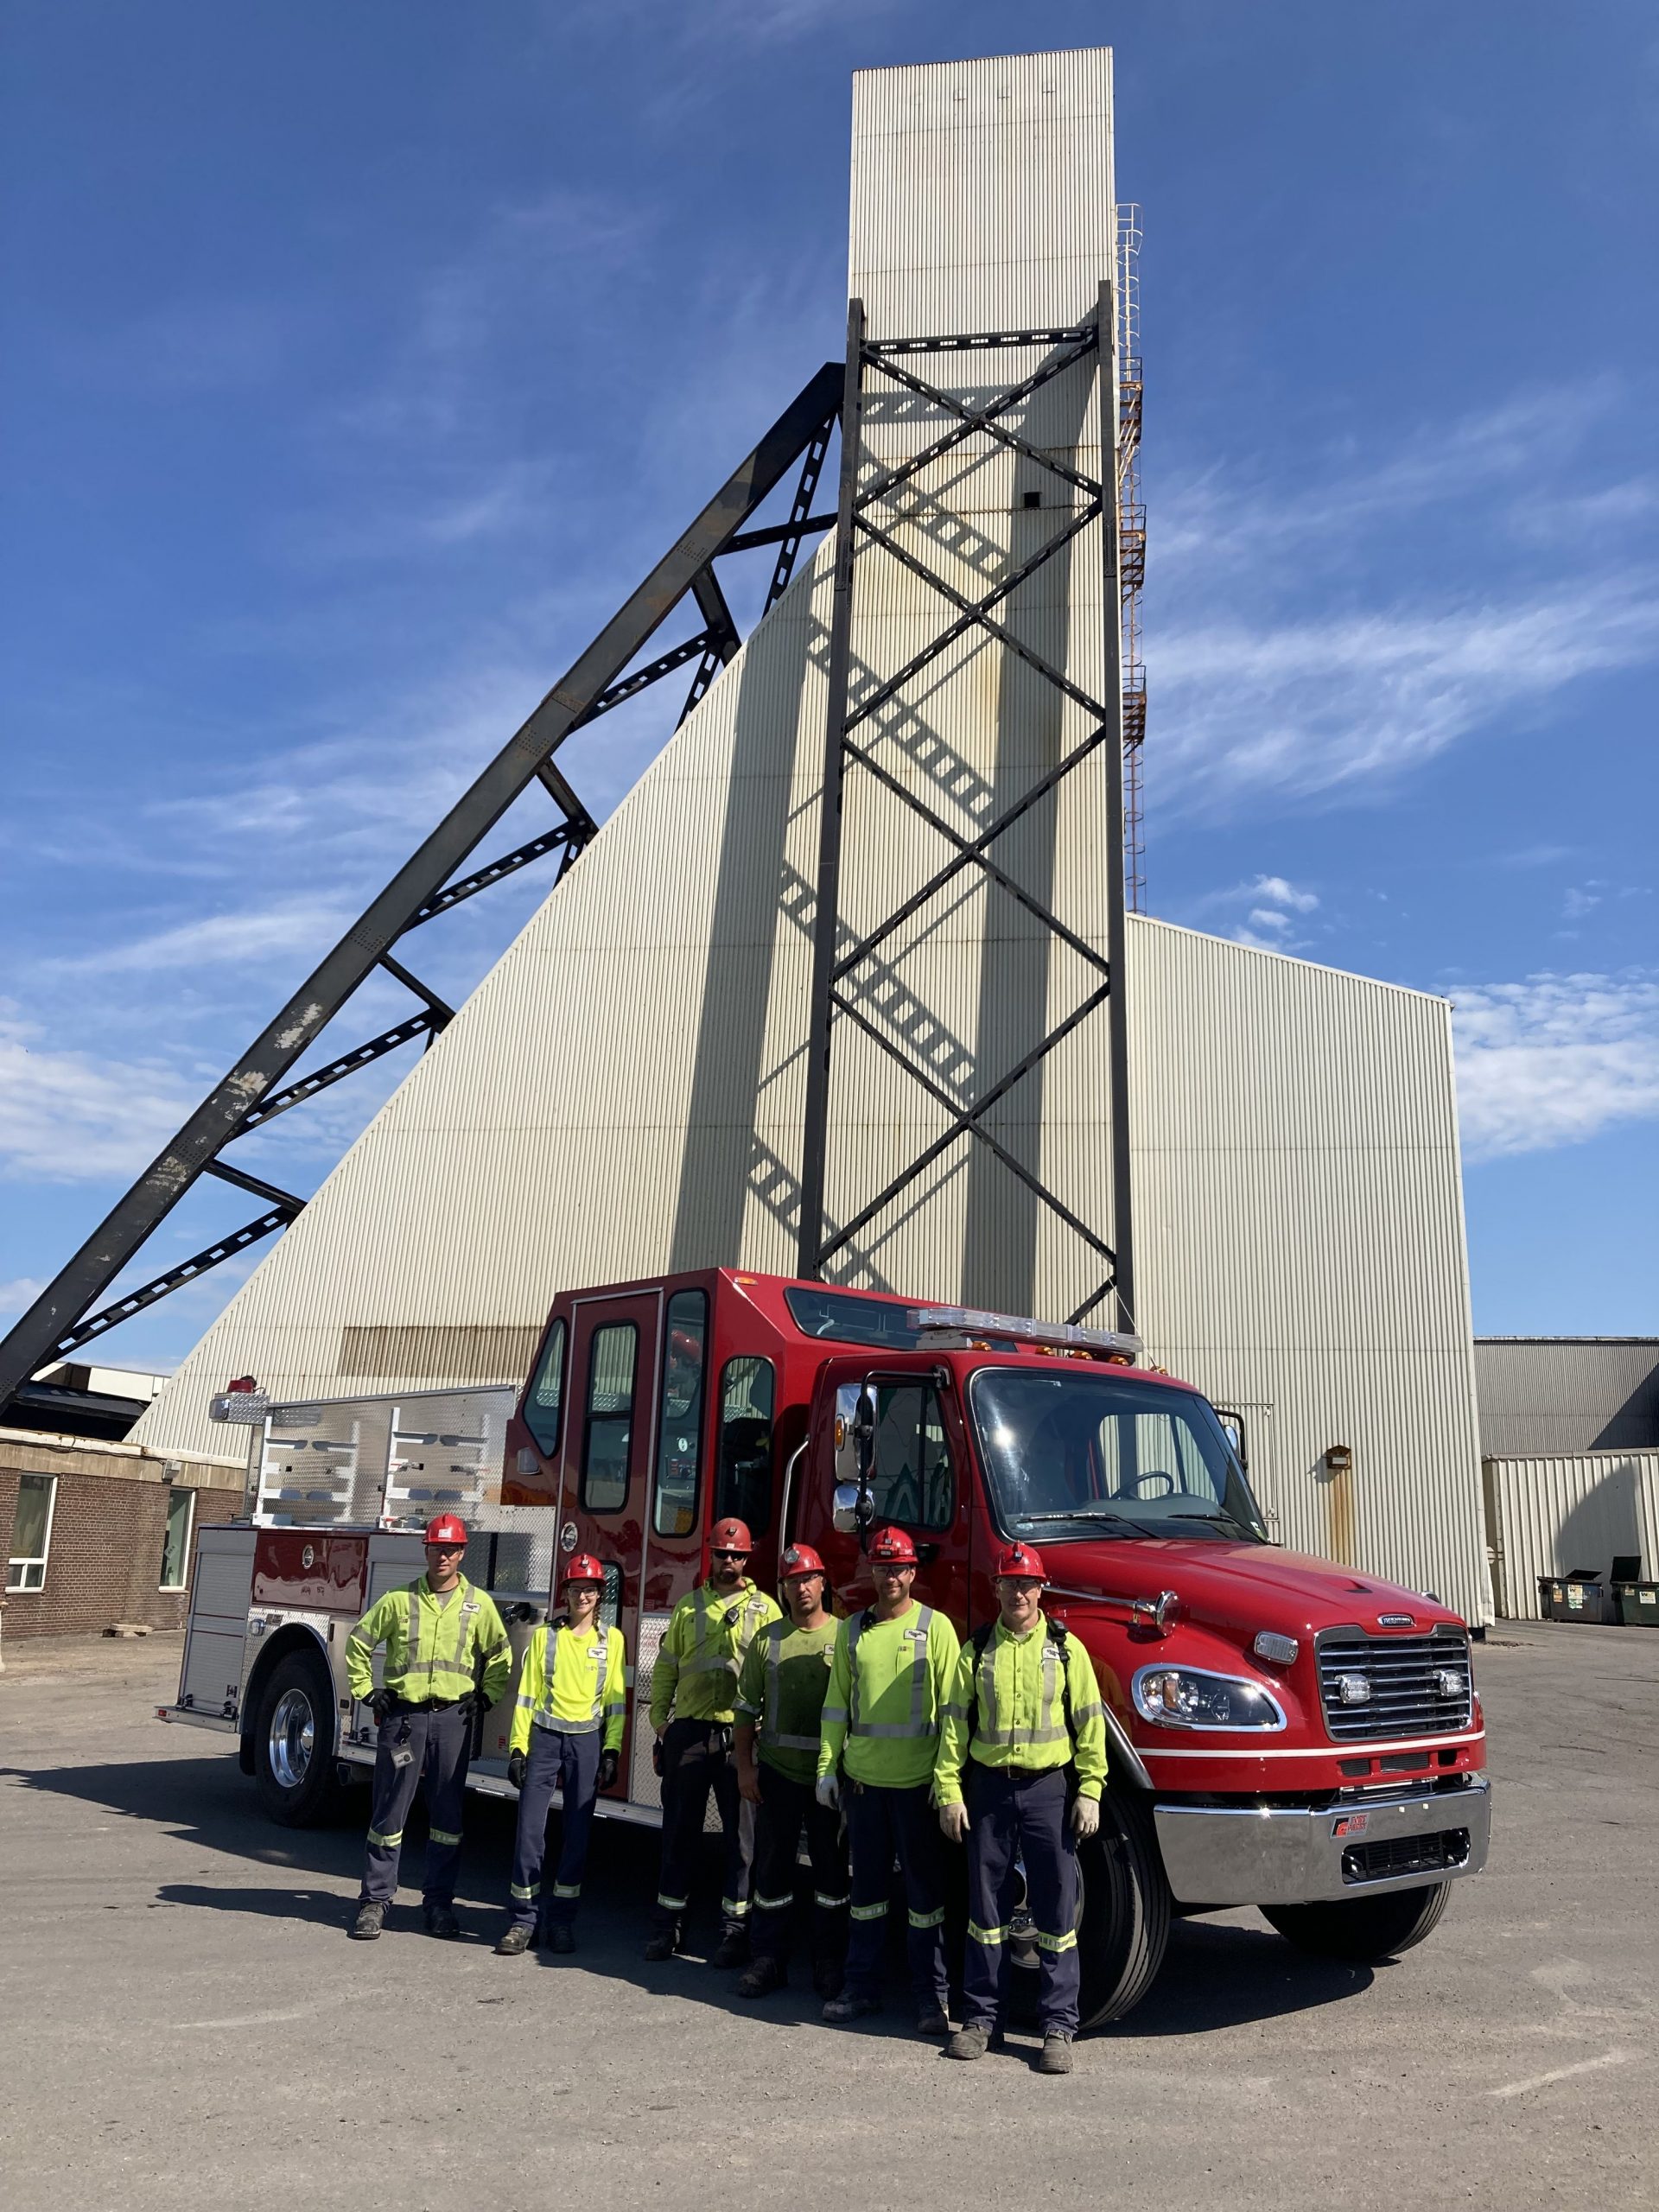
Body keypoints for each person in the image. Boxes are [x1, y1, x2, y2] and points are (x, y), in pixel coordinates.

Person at [934, 1540, 1108, 2075]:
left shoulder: (1065, 1649)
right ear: (997, 1590)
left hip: (1048, 1791)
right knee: (985, 1913)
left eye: (1027, 1583)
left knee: (1057, 1912)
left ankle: (1057, 2027)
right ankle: (981, 2020)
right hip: (988, 1791)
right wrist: (948, 1792)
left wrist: (1090, 1790)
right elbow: (954, 1727)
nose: (1018, 1592)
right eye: (1009, 1583)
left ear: (1041, 1589)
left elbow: (1090, 1723)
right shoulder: (977, 1649)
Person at [817, 1523, 961, 2037]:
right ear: (872, 1571)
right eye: (882, 1567)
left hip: (917, 1786)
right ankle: (861, 1989)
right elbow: (836, 1706)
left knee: (925, 1901)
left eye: (898, 1567)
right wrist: (827, 1771)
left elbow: (952, 1714)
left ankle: (931, 1999)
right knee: (868, 1895)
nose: (891, 1575)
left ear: (913, 1572)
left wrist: (947, 1787)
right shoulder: (852, 1629)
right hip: (863, 1786)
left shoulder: (937, 1628)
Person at [344, 1512, 512, 1940]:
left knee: (447, 1817)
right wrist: (367, 1691)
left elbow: (501, 1655)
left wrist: (487, 1695)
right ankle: (375, 1902)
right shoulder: (399, 1600)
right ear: (426, 1550)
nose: (443, 1555)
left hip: (453, 1720)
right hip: (404, 1719)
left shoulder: (478, 1604)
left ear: (462, 1553)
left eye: (451, 1548)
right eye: (436, 1547)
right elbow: (359, 1642)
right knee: (389, 1811)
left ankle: (438, 1904)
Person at [645, 1516, 781, 1965]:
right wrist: (662, 1723)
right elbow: (666, 1667)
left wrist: (764, 1732)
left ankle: (734, 1932)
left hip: (739, 1740)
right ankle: (668, 1928)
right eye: (722, 1554)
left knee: (741, 1842)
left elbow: (776, 1676)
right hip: (689, 1734)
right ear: (711, 1554)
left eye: (737, 1555)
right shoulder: (688, 1607)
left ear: (747, 1557)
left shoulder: (767, 1609)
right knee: (678, 1835)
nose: (729, 1561)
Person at [732, 1541, 848, 1999]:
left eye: (807, 1578)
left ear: (823, 1583)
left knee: (832, 1877)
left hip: (828, 1778)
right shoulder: (768, 1639)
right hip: (777, 1774)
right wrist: (745, 1769)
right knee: (772, 1874)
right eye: (791, 1581)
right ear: (782, 1588)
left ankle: (828, 1963)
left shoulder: (845, 1637)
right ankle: (768, 1960)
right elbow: (745, 1709)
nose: (800, 1587)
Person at [495, 1553, 626, 1956]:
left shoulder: (613, 1640)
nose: (582, 1596)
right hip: (546, 1739)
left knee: (577, 1835)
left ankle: (562, 1921)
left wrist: (612, 1749)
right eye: (575, 1589)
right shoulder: (545, 1637)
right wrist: (518, 1748)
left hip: (586, 1743)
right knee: (530, 1832)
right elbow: (527, 1695)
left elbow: (615, 1702)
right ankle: (523, 1920)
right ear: (565, 1594)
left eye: (589, 1589)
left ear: (599, 1595)